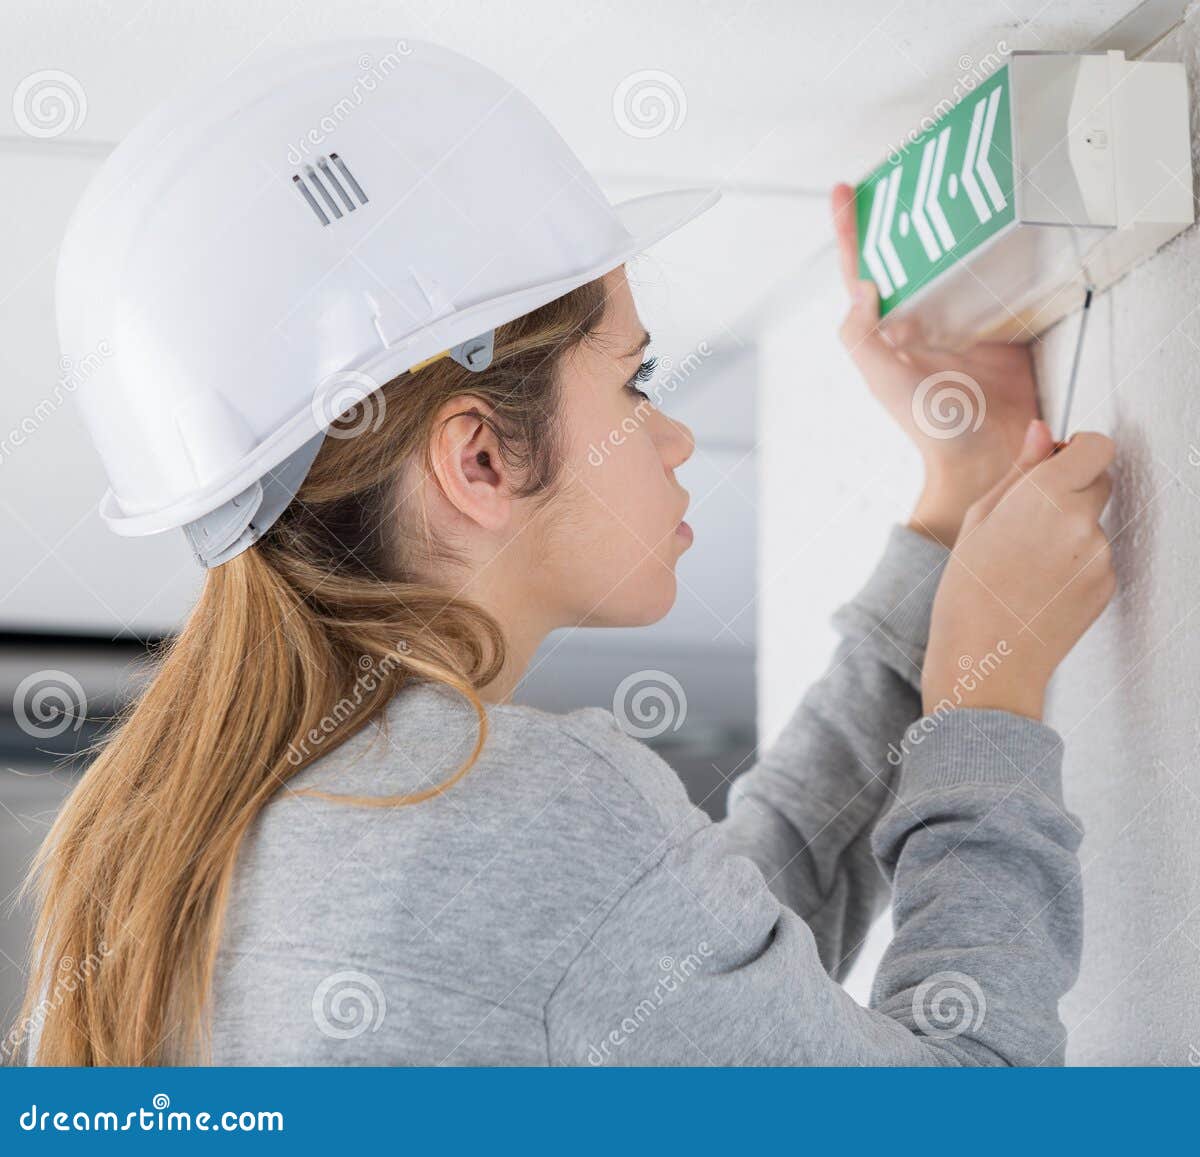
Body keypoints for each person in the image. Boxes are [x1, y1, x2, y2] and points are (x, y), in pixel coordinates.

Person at [18, 40, 1115, 1067]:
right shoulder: (505, 807)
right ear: (481, 459)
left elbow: (676, 982)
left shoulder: (193, 840)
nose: (673, 431)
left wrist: (950, 515)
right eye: (635, 379)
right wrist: (992, 691)